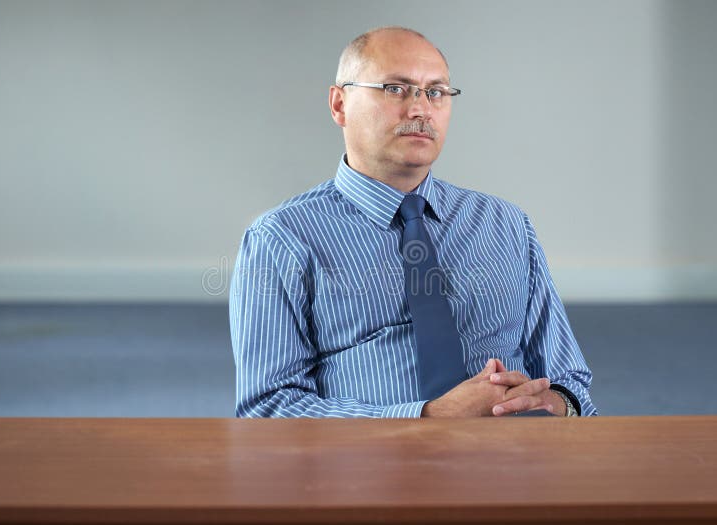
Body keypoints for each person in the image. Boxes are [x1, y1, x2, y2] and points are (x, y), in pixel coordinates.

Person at [230, 26, 596, 418]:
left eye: (435, 92)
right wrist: (427, 418)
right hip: (366, 471)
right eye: (395, 89)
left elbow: (570, 382)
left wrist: (550, 403)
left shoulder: (506, 225)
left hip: (504, 463)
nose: (421, 109)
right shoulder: (282, 238)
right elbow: (266, 408)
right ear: (339, 105)